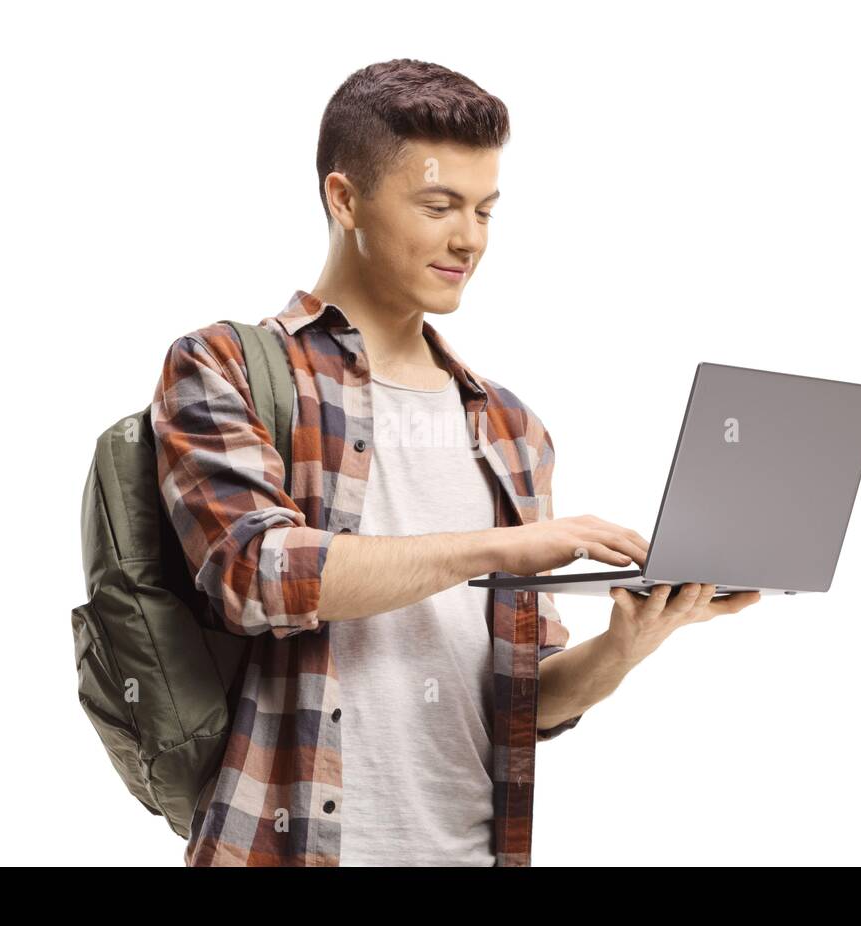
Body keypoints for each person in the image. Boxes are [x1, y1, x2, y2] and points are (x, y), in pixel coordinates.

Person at [151, 57, 761, 867]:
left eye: (484, 209)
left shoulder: (512, 429)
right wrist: (494, 550)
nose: (468, 237)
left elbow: (525, 700)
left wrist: (629, 641)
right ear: (345, 199)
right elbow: (257, 576)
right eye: (438, 205)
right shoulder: (225, 366)